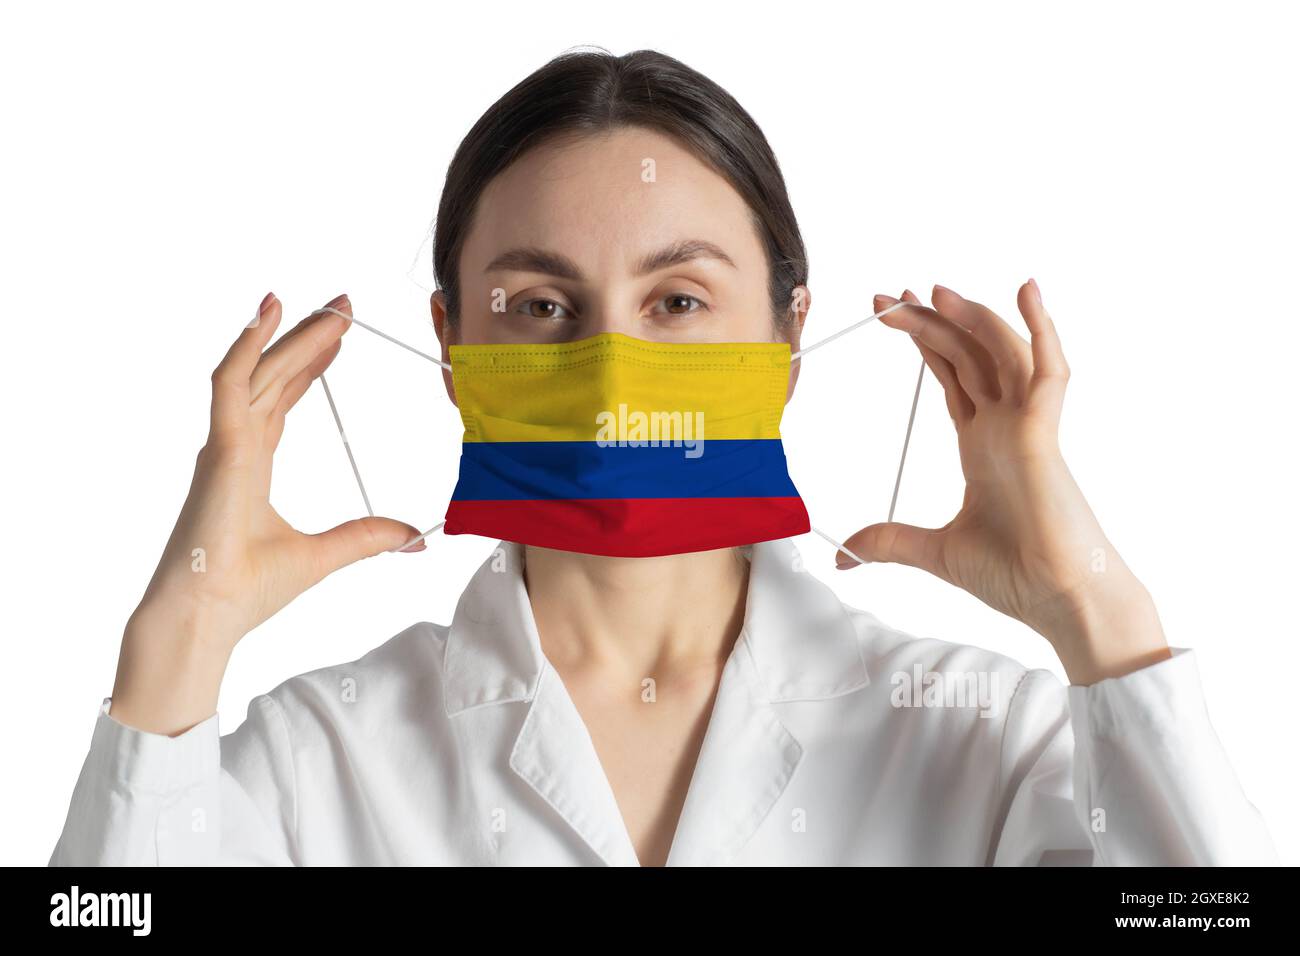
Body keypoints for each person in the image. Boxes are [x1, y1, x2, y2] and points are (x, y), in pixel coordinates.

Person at [50, 48, 1276, 866]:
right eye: (539, 305)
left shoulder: (979, 738)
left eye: (678, 300)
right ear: (450, 340)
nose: (613, 371)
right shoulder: (318, 761)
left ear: (790, 333)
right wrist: (181, 638)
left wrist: (1094, 611)